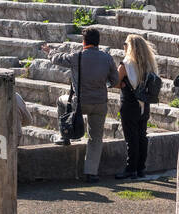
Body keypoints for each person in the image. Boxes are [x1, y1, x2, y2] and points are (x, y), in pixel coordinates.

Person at [43, 28, 118, 183]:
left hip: (79, 104)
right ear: (98, 42)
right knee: (95, 137)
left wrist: (50, 51)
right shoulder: (107, 58)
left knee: (61, 100)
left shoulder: (77, 56)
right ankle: (91, 173)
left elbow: (58, 58)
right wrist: (103, 84)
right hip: (100, 103)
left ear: (84, 42)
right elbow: (115, 80)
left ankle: (64, 135)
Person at [116, 34, 158, 180]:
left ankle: (130, 169)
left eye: (125, 44)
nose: (124, 46)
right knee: (141, 136)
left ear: (130, 47)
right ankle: (141, 168)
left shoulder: (126, 64)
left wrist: (122, 84)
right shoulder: (149, 64)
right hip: (144, 104)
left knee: (131, 137)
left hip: (129, 104)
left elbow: (115, 82)